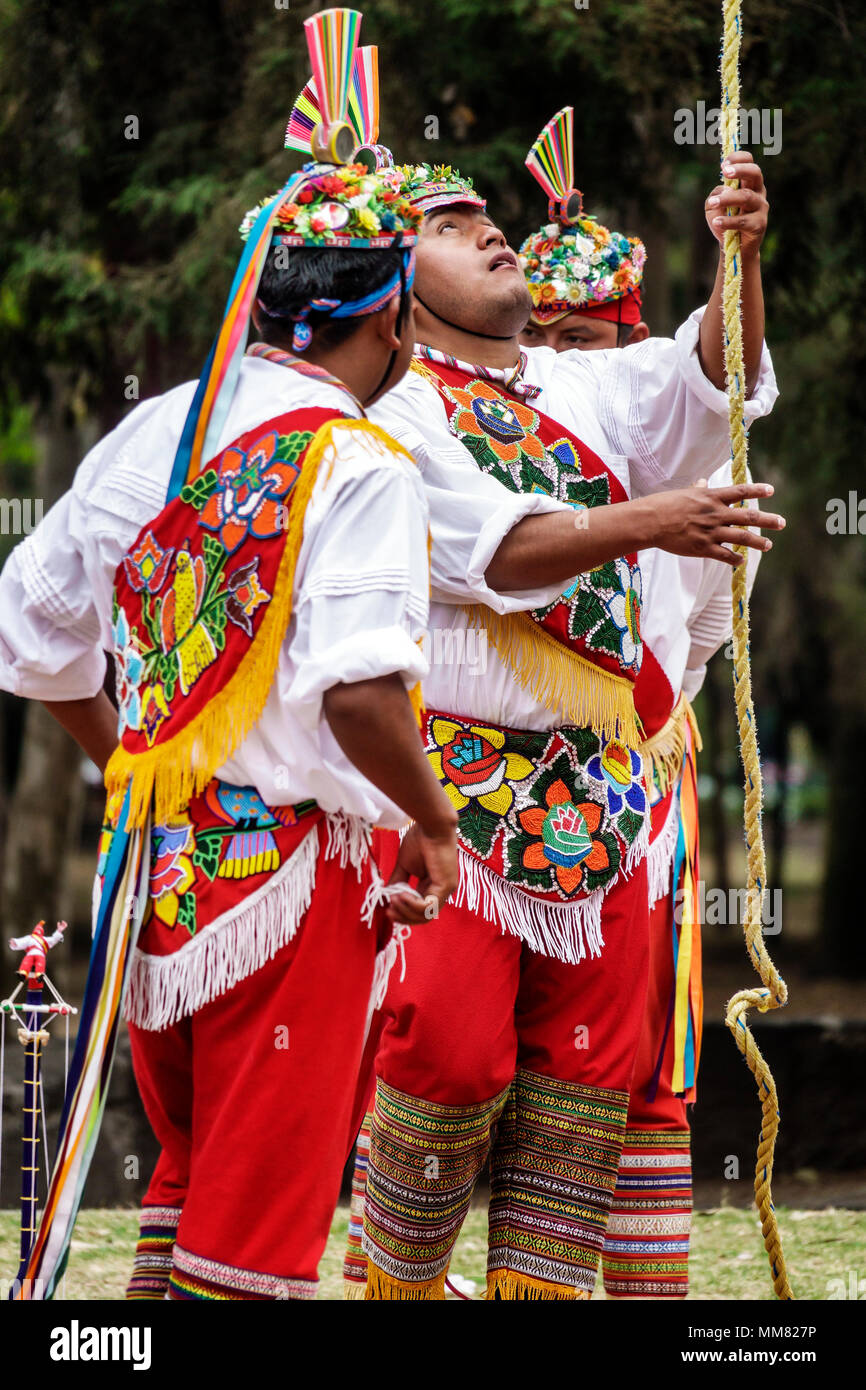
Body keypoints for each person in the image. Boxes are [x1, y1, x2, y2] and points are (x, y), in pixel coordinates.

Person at [352, 110, 781, 1299]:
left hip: (600, 793)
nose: (490, 233)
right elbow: (499, 552)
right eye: (451, 225)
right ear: (395, 276)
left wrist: (739, 256)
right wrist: (658, 520)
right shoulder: (388, 413)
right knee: (444, 1055)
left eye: (489, 217)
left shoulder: (583, 379)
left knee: (584, 1084)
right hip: (454, 786)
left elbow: (713, 376)